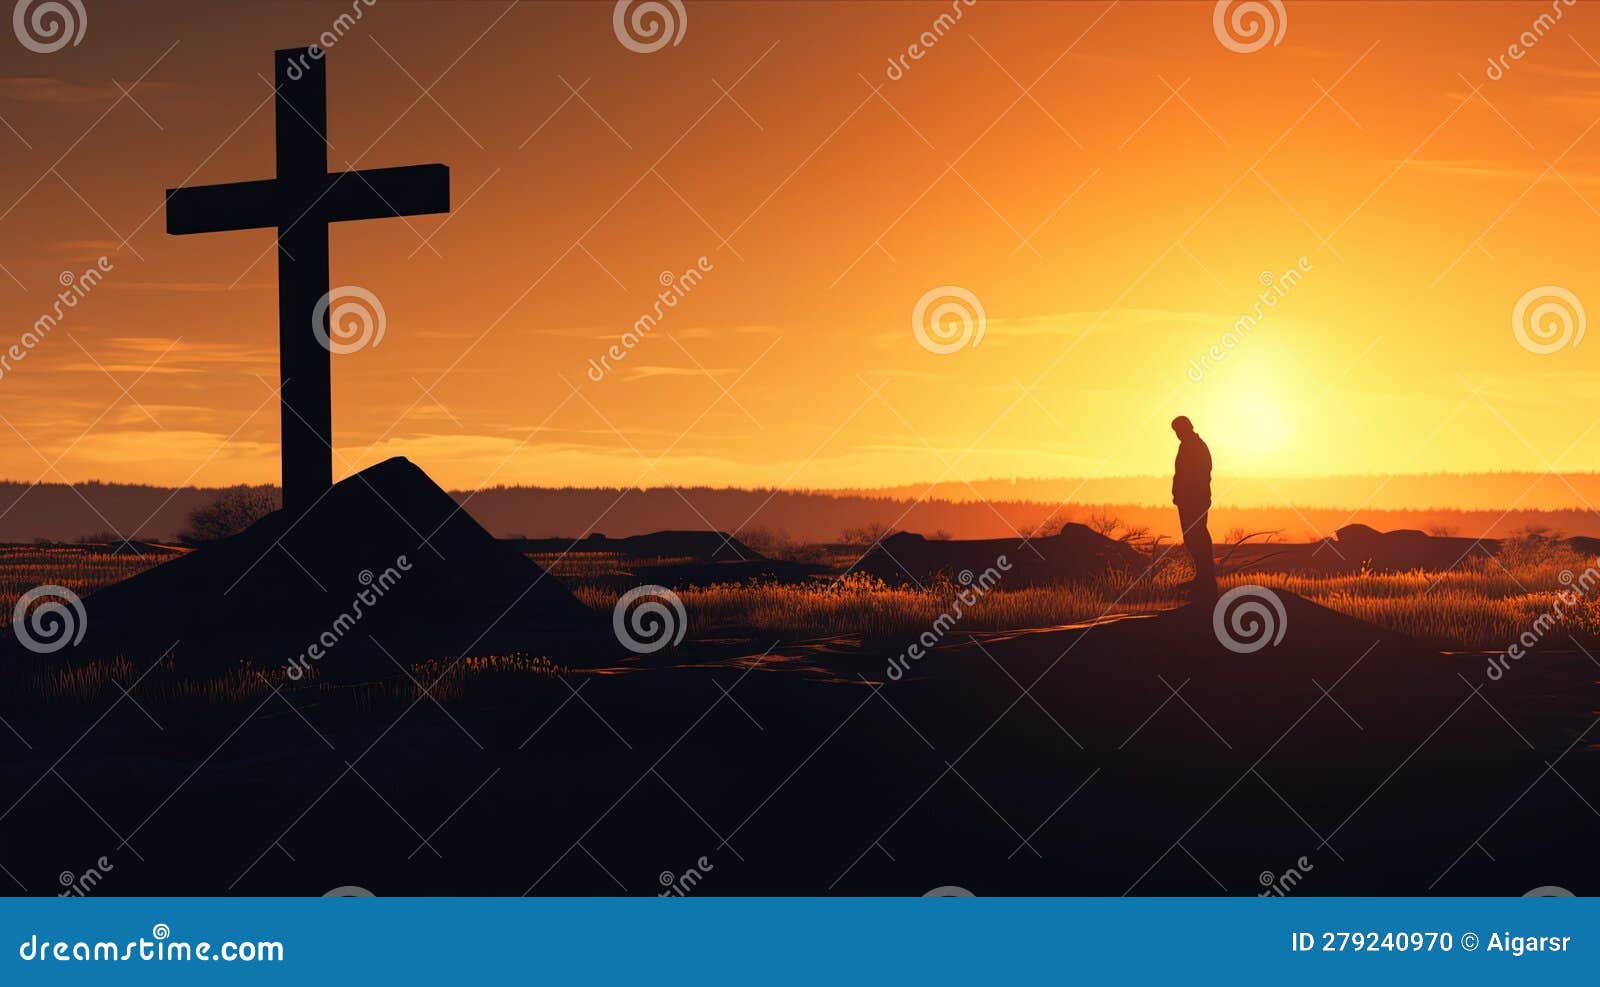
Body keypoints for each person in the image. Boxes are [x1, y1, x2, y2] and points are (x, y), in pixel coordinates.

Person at [1170, 416, 1216, 599]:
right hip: (1187, 500)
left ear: (1187, 428)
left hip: (1194, 501)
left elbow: (1200, 475)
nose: (1177, 435)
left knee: (1198, 538)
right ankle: (1203, 578)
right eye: (1175, 432)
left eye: (1178, 431)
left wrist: (1188, 495)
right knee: (1193, 539)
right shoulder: (1188, 445)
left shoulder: (1196, 446)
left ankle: (1206, 581)